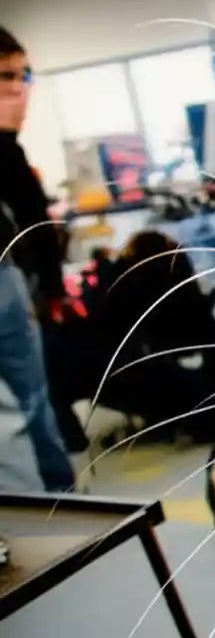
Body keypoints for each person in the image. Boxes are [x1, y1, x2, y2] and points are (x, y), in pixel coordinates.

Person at [0, 26, 76, 492]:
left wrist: (51, 289)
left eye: (24, 76)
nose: (18, 88)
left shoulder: (10, 151)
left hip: (9, 283)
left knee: (31, 401)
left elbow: (36, 225)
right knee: (24, 406)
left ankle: (58, 503)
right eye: (5, 76)